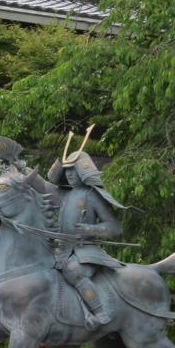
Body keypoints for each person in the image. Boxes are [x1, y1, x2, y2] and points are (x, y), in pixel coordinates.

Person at [46, 128, 126, 326]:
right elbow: (41, 185)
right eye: (67, 170)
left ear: (83, 170)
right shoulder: (65, 195)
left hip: (85, 252)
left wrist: (91, 230)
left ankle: (101, 313)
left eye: (74, 170)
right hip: (62, 250)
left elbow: (115, 227)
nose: (70, 174)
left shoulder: (93, 195)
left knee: (73, 271)